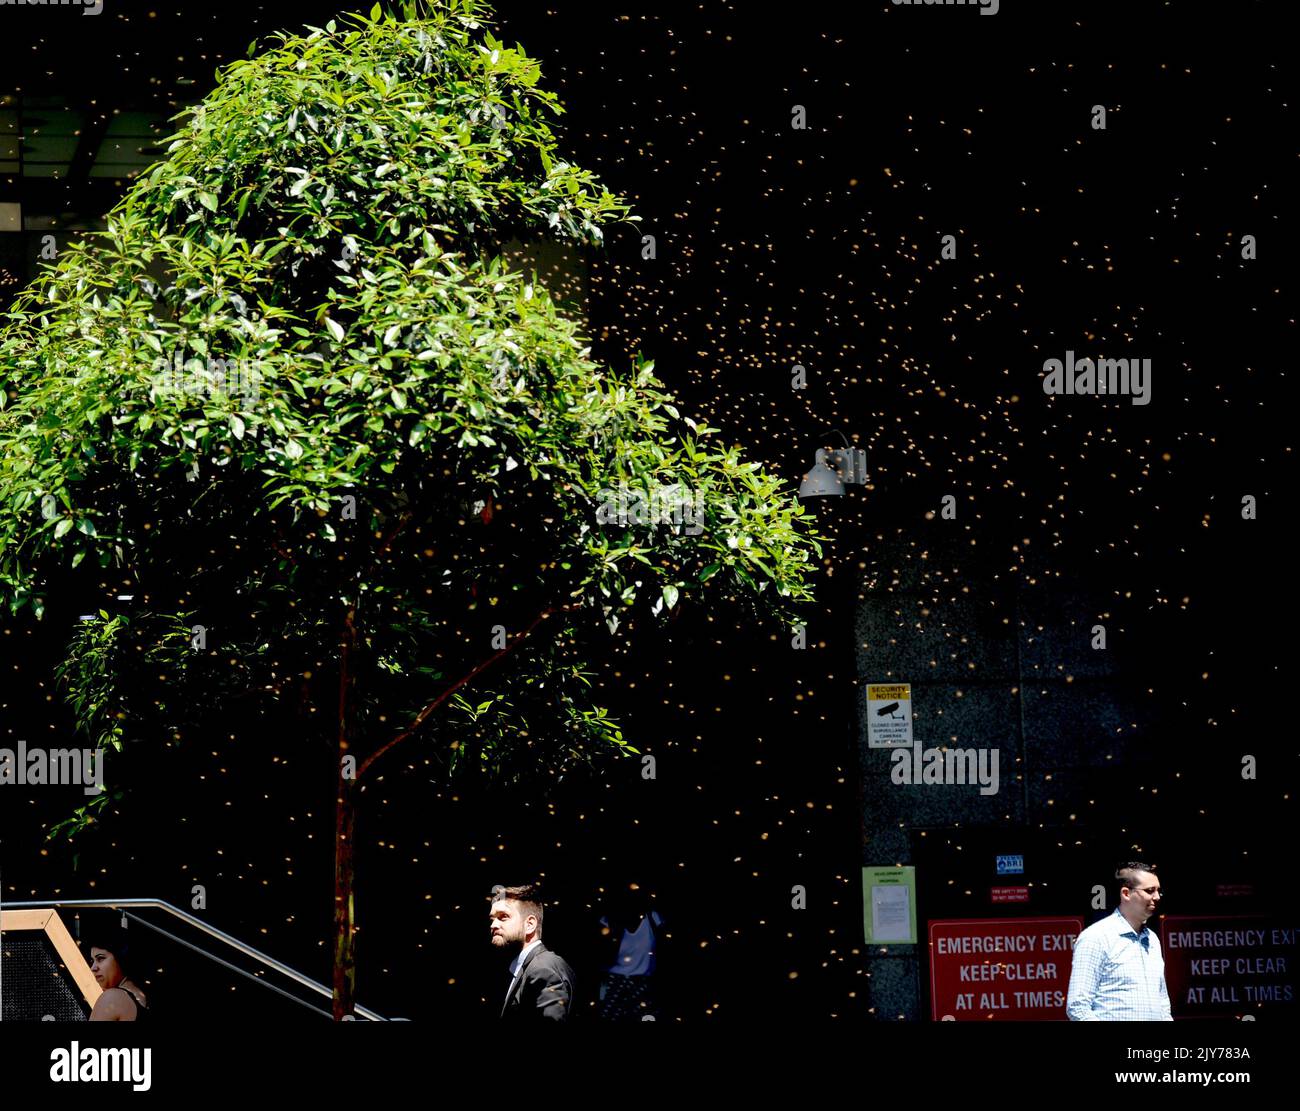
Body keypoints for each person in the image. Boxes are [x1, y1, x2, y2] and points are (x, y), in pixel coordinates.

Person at [1066, 861, 1172, 1021]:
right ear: (1126, 894)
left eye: (1158, 891)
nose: (1157, 897)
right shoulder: (1096, 937)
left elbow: (1162, 1002)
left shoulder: (1152, 939)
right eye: (1150, 891)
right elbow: (1078, 1007)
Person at [489, 882, 575, 1022]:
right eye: (492, 919)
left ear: (530, 925)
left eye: (503, 916)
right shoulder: (530, 967)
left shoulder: (542, 969)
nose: (493, 925)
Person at [597, 884, 663, 1021]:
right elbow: (599, 954)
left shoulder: (653, 918)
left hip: (643, 981)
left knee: (648, 1019)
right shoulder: (608, 921)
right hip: (614, 980)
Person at [85, 927, 151, 1021]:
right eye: (92, 961)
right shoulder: (140, 996)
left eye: (100, 958)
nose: (93, 968)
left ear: (120, 959)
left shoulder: (113, 997)